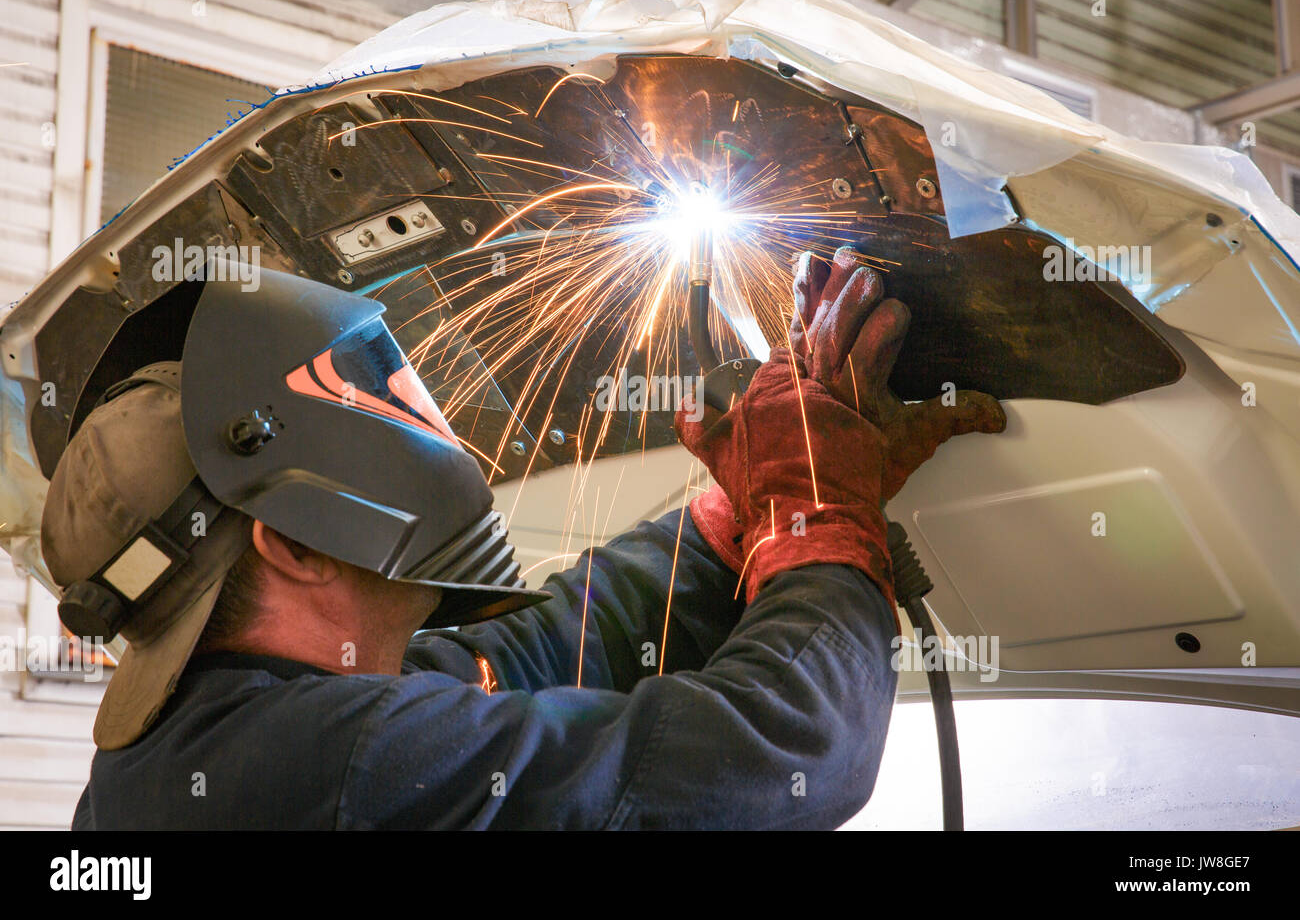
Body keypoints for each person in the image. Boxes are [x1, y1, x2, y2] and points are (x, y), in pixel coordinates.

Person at [45, 247, 1004, 829]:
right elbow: (785, 751)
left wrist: (741, 512)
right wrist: (817, 511)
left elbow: (546, 648)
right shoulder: (332, 766)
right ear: (292, 546)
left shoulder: (204, 744)